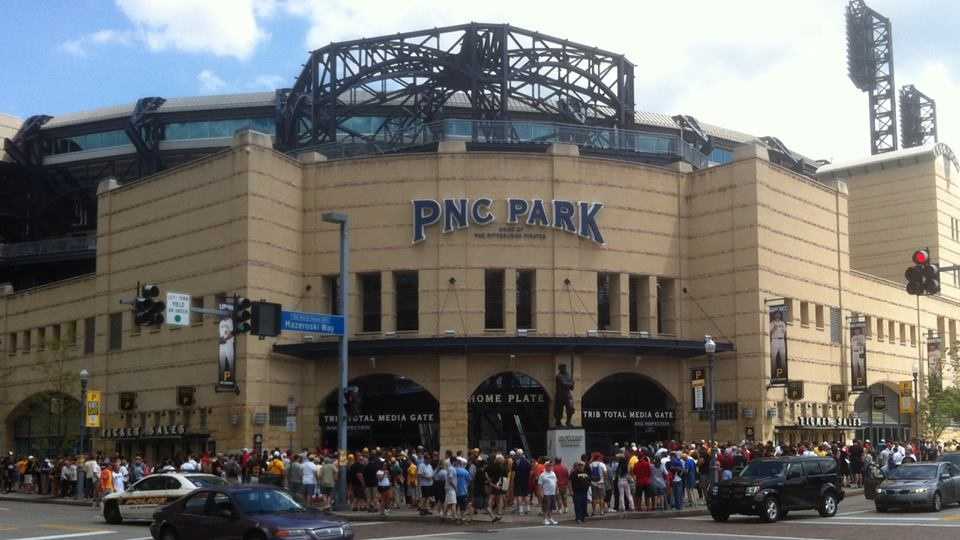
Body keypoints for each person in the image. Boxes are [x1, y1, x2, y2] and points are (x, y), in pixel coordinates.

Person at [538, 460, 558, 526]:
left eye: (551, 466)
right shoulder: (542, 475)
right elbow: (540, 485)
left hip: (552, 493)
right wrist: (541, 493)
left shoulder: (553, 473)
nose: (550, 467)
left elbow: (555, 482)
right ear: (545, 466)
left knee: (551, 507)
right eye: (548, 466)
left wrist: (556, 490)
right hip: (546, 493)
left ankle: (550, 518)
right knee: (546, 507)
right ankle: (545, 519)